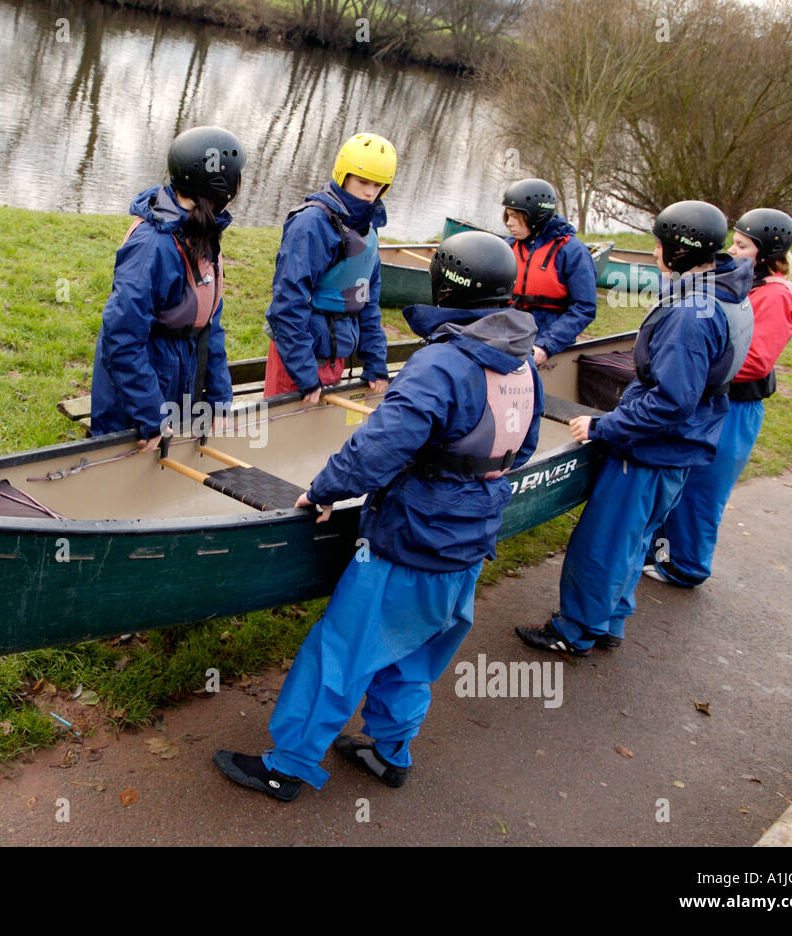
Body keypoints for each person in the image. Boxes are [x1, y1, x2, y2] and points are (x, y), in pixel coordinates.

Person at [214, 231, 543, 799]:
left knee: (341, 651)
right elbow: (524, 445)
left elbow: (379, 447)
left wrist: (321, 492)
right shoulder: (523, 364)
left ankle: (286, 767)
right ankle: (390, 751)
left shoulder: (441, 363)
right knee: (416, 651)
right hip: (469, 541)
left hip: (412, 538)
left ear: (445, 285)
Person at [515, 201, 753, 657]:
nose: (657, 252)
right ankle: (611, 619)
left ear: (676, 251)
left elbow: (671, 401)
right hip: (686, 446)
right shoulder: (731, 293)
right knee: (638, 536)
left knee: (603, 541)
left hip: (651, 449)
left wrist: (605, 425)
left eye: (660, 244)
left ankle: (576, 630)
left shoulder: (691, 314)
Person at [646, 208, 792, 587]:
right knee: (684, 481)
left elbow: (757, 359)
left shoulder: (776, 294)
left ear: (764, 255)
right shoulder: (749, 284)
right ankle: (663, 551)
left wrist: (700, 366)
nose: (732, 250)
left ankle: (687, 566)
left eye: (742, 245)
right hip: (717, 397)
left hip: (737, 405)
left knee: (704, 489)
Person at [89, 126, 244, 447]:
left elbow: (209, 323)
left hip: (180, 377)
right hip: (138, 394)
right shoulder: (154, 246)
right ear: (221, 185)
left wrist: (219, 395)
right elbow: (122, 337)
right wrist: (150, 415)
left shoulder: (202, 233)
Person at [262, 133, 396, 403]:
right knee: (281, 440)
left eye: (378, 185)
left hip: (335, 353)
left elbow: (367, 301)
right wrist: (305, 374)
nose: (370, 193)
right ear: (343, 175)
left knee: (317, 442)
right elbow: (288, 304)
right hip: (297, 358)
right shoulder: (312, 224)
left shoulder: (367, 230)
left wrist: (375, 361)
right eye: (363, 182)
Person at [501, 178, 599, 365]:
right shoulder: (508, 247)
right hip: (509, 335)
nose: (509, 223)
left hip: (547, 341)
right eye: (507, 216)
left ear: (535, 216)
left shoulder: (571, 251)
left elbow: (584, 308)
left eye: (515, 217)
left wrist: (546, 345)